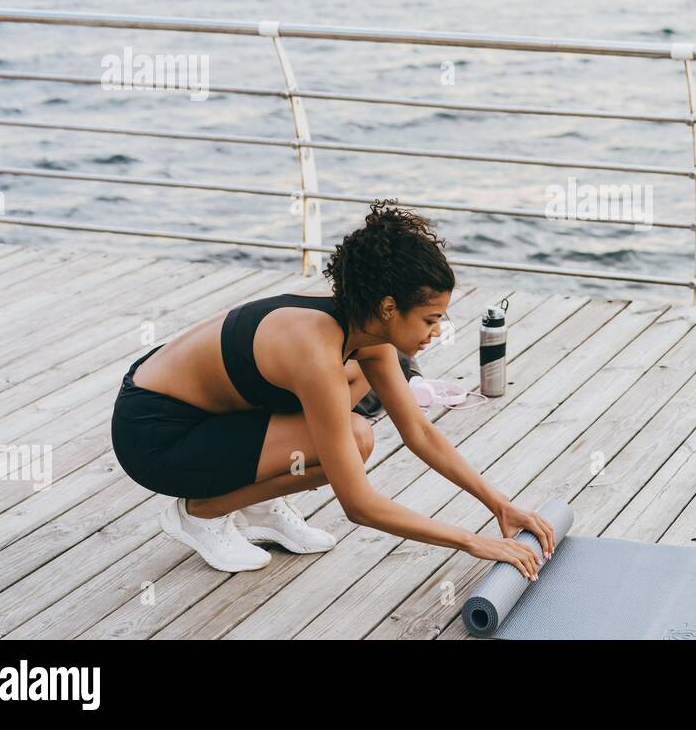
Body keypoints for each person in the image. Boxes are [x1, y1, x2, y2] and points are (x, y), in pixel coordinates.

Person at [111, 198, 555, 575]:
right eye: (430, 319)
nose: (438, 331)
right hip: (154, 435)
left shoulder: (368, 331)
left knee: (354, 425)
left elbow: (418, 432)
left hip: (214, 417)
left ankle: (260, 509)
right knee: (354, 439)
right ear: (388, 307)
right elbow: (358, 505)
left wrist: (499, 506)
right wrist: (472, 542)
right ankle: (200, 514)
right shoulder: (314, 349)